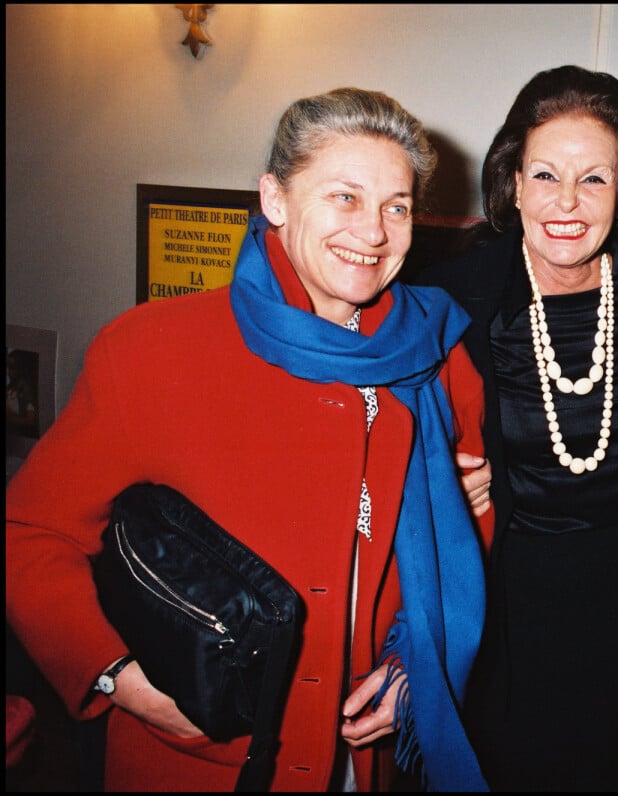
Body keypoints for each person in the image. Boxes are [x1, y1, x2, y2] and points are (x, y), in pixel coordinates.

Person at [5, 87, 493, 792]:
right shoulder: (150, 350)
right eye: (345, 197)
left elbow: (473, 520)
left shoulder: (438, 353)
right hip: (196, 757)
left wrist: (414, 664)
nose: (376, 231)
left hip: (363, 763)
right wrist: (118, 675)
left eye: (397, 206)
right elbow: (28, 532)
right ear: (276, 199)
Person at [411, 64, 618, 791]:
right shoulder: (446, 300)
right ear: (514, 183)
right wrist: (435, 477)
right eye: (546, 174)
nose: (567, 201)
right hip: (502, 617)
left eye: (594, 180)